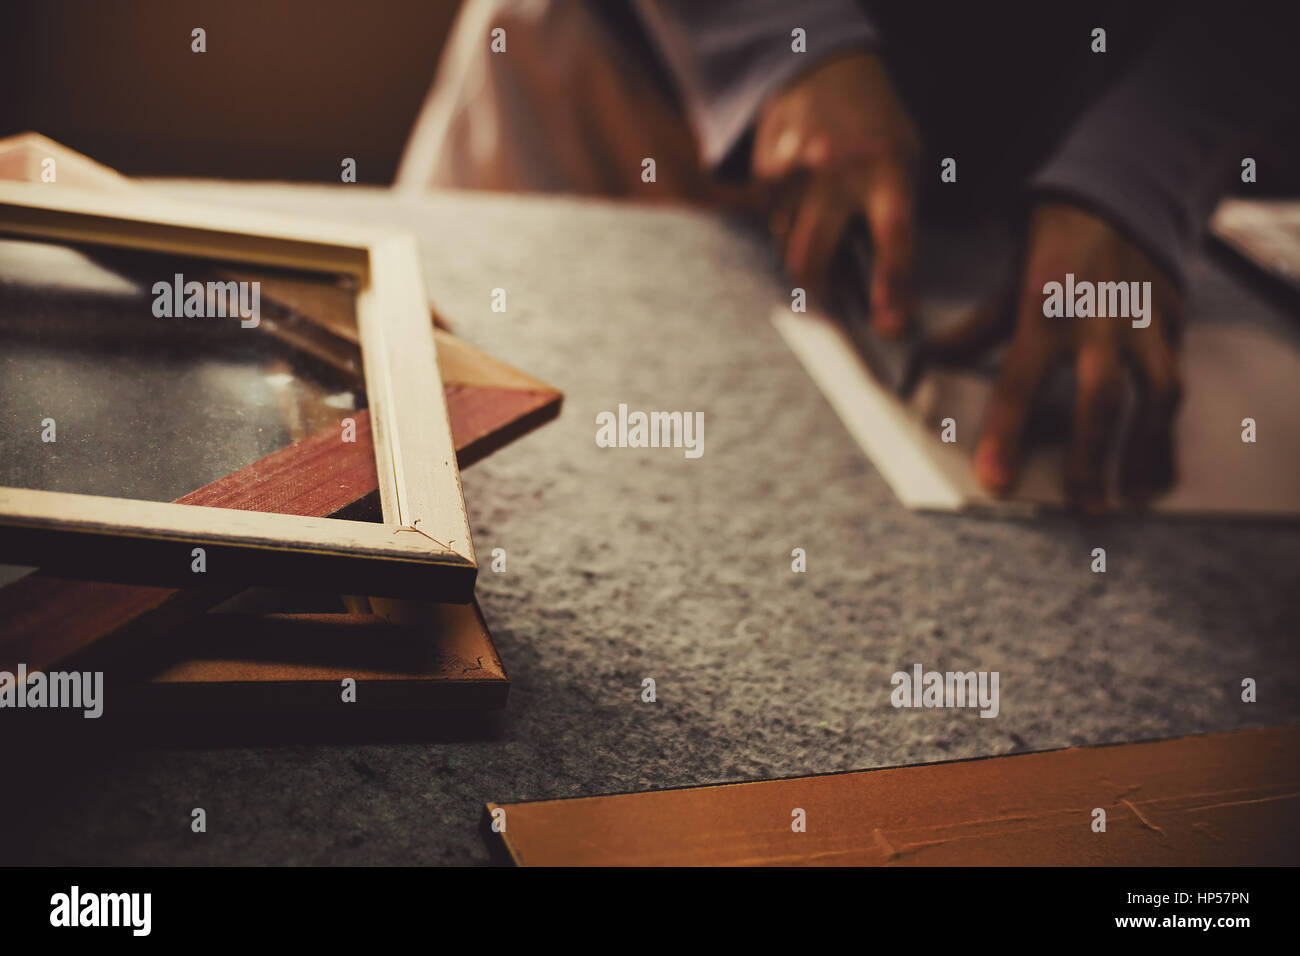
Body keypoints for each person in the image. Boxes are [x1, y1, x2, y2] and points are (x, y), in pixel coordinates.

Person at [398, 0, 1295, 513]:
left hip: (1018, 174)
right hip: (606, 92)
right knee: (456, 490)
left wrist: (1144, 167)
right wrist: (776, 40)